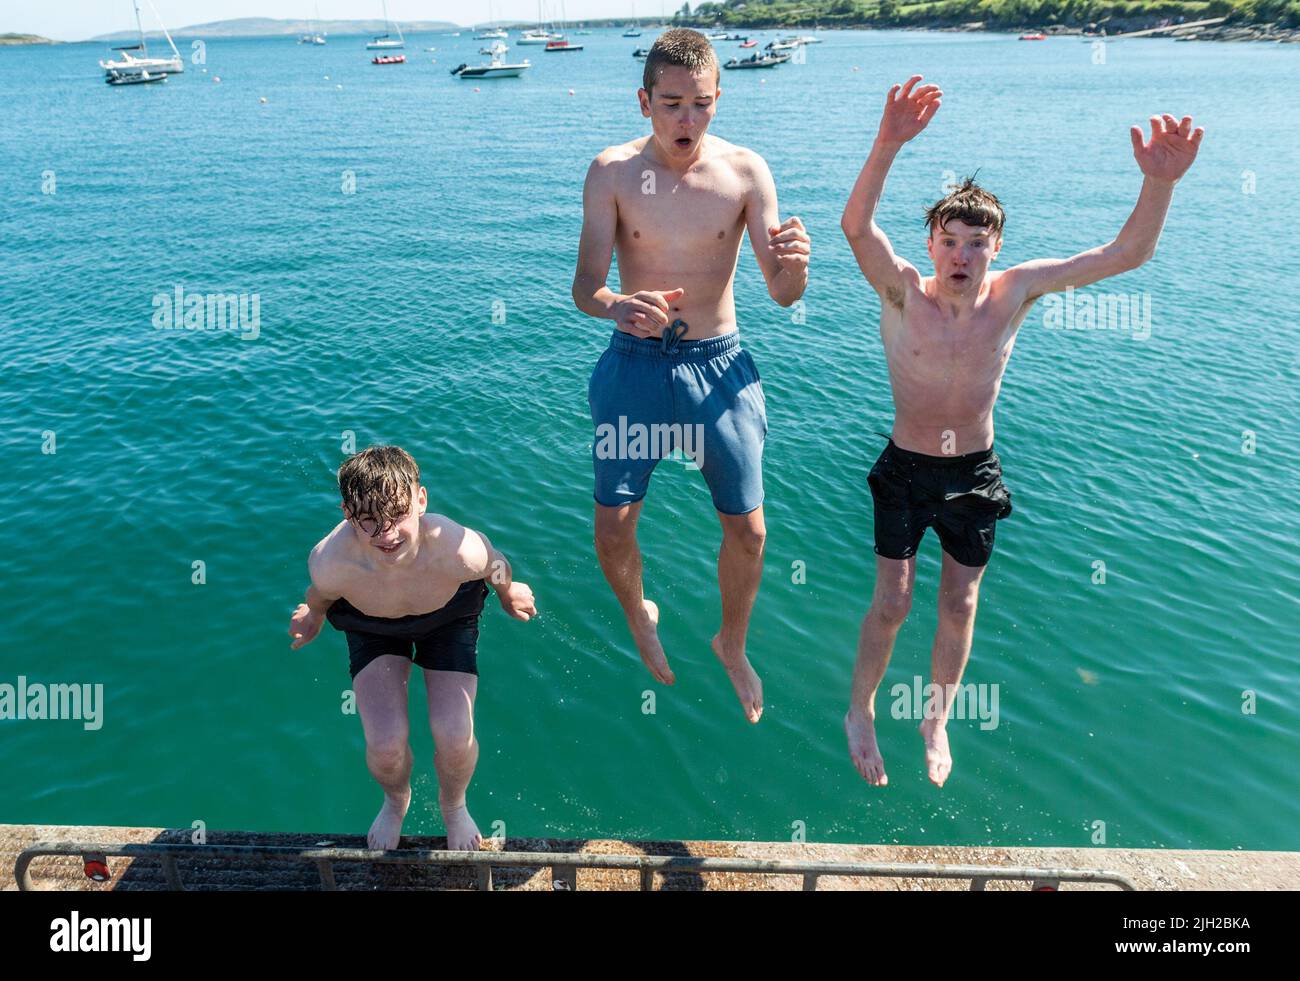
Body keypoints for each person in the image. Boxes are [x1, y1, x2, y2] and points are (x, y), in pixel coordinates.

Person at [840, 76, 1203, 787]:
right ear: (931, 242)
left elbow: (1126, 254)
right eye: (950, 241)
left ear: (996, 247)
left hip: (974, 472)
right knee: (892, 601)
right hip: (905, 468)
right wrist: (887, 143)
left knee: (960, 600)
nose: (961, 257)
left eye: (976, 244)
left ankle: (936, 718)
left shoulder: (1017, 291)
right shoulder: (901, 289)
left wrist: (1159, 185)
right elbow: (855, 228)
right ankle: (860, 709)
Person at [572, 28, 810, 723]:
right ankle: (639, 611)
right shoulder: (610, 172)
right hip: (636, 365)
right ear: (644, 100)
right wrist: (619, 303)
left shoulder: (744, 172)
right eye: (671, 103)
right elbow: (586, 286)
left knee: (750, 531)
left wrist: (795, 269)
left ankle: (731, 641)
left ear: (718, 99)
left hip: (719, 363)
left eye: (701, 104)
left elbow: (783, 293)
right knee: (613, 525)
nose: (687, 120)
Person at [288, 445, 536, 849]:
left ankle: (454, 806)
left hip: (447, 618)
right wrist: (312, 616)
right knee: (385, 745)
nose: (385, 534)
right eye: (368, 520)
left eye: (397, 515)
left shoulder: (458, 548)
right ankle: (394, 801)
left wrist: (508, 591)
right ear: (347, 514)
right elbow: (321, 594)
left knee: (454, 735)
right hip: (373, 626)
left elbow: (493, 561)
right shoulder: (331, 561)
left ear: (421, 500)